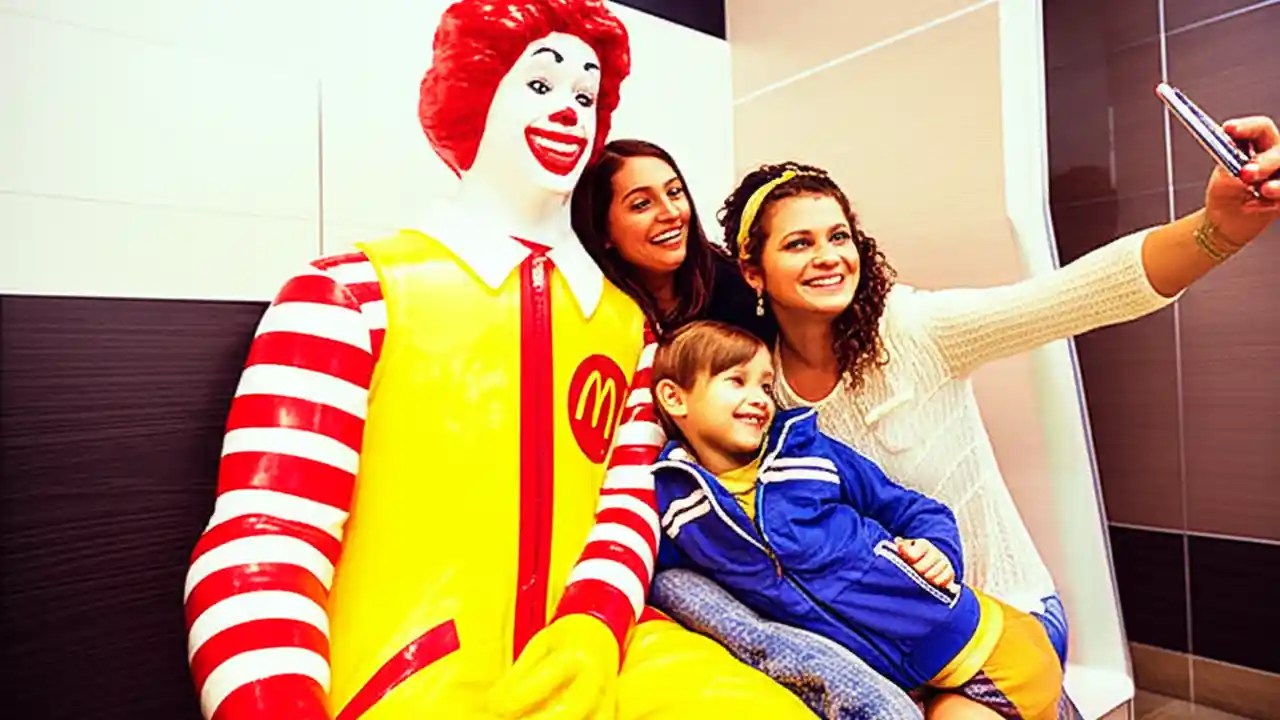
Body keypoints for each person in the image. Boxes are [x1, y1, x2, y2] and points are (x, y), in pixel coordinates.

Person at [181, 1, 813, 718]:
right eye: (540, 85)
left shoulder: (625, 325)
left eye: (585, 95)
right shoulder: (348, 297)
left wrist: (592, 626)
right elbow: (265, 540)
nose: (569, 111)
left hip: (608, 649)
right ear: (474, 92)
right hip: (405, 673)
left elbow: (626, 500)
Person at [715, 116, 1280, 658]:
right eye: (799, 244)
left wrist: (1219, 230)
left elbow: (1073, 297)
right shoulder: (762, 390)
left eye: (839, 236)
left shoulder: (912, 330)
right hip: (895, 644)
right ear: (752, 270)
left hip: (1006, 614)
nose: (829, 258)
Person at [650, 320, 1064, 720]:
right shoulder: (677, 507)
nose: (760, 398)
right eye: (737, 381)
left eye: (766, 385)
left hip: (988, 645)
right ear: (674, 397)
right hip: (919, 690)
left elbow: (914, 509)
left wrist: (937, 549)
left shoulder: (807, 455)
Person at [573, 138, 775, 342]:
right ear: (602, 231)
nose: (671, 212)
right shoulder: (583, 311)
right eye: (642, 204)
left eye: (674, 192)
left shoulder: (736, 292)